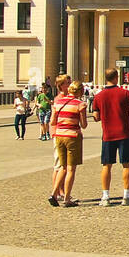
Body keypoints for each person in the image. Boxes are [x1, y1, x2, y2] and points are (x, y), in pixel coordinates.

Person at [93, 68, 129, 206]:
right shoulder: (124, 93)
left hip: (108, 135)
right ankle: (126, 195)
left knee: (106, 166)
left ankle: (105, 197)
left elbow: (96, 117)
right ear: (117, 77)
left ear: (105, 78)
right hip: (124, 134)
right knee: (126, 165)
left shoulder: (98, 97)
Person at [50, 76, 88, 207]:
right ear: (80, 92)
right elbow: (83, 125)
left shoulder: (58, 103)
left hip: (59, 135)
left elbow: (52, 122)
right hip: (72, 137)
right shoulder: (80, 104)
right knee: (71, 169)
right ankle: (66, 198)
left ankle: (54, 194)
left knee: (62, 167)